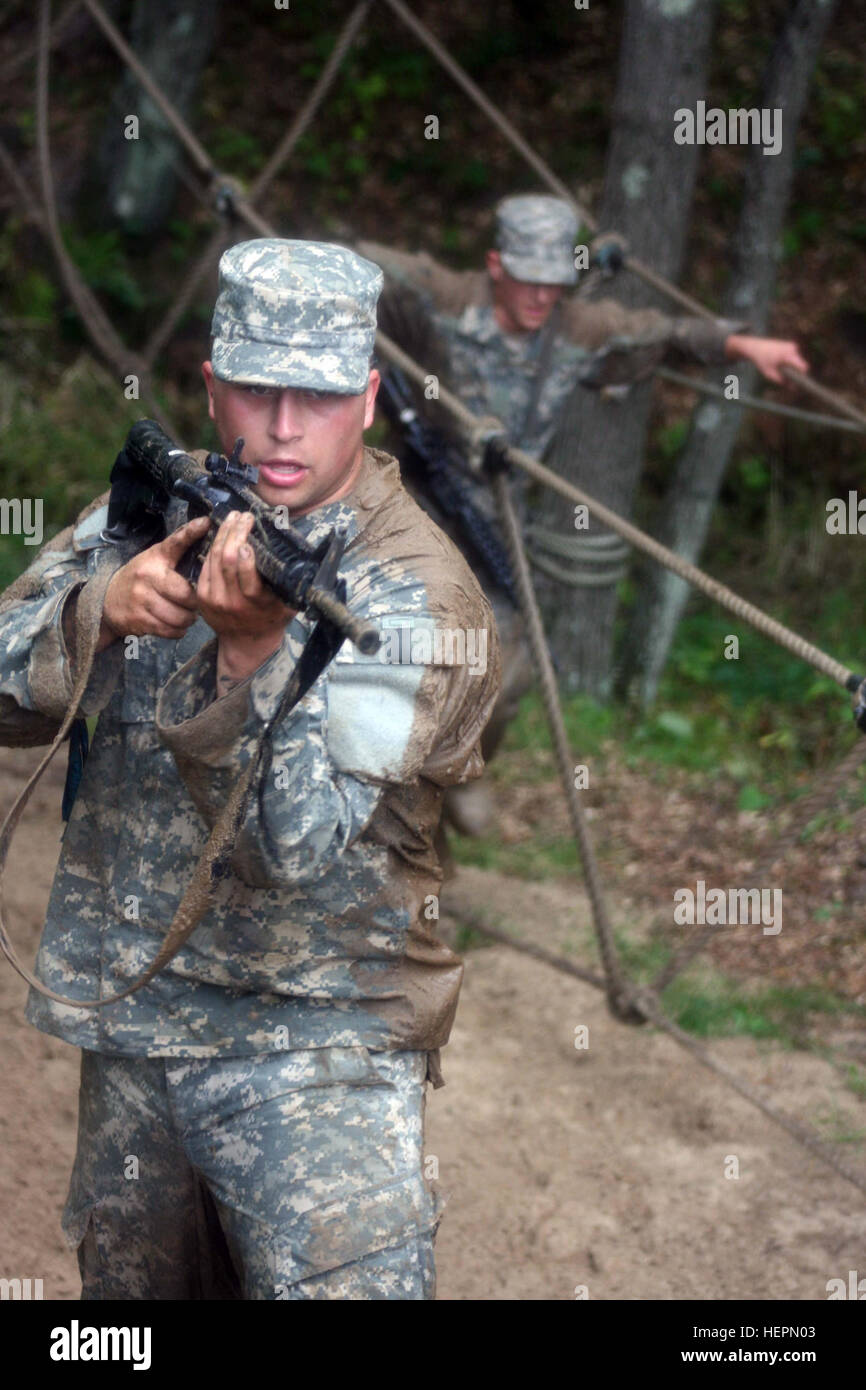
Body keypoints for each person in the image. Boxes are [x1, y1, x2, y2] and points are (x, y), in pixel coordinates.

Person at [0, 239, 501, 1300]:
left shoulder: (413, 599)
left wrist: (251, 657)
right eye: (256, 389)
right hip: (137, 1038)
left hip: (320, 1052)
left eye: (315, 396)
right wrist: (99, 616)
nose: (280, 427)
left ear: (365, 399)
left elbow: (293, 851)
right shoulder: (152, 514)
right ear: (209, 384)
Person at [358, 193, 810, 836]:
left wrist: (746, 346)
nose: (541, 297)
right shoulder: (442, 297)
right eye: (528, 280)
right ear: (495, 266)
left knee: (508, 667)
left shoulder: (575, 330)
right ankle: (378, 789)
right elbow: (361, 262)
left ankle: (455, 770)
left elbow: (664, 335)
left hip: (496, 521)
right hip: (414, 505)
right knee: (393, 649)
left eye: (554, 283)